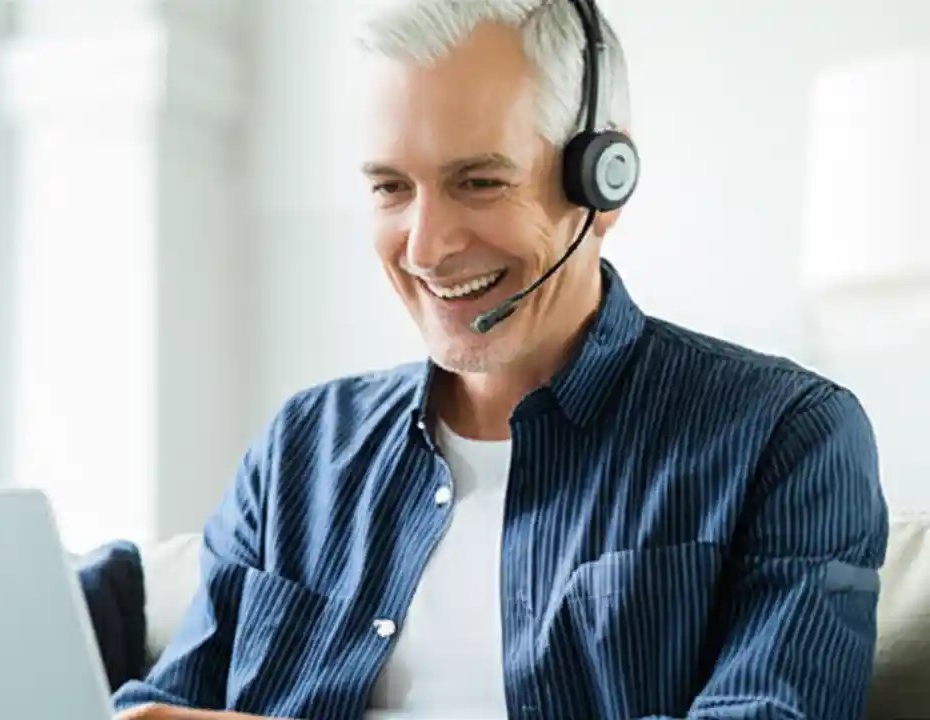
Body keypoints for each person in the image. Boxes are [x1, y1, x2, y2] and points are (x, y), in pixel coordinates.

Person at [113, 0, 889, 718]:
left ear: (602, 184)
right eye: (390, 188)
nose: (425, 247)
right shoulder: (301, 451)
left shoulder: (785, 438)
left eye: (478, 182)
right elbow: (170, 701)